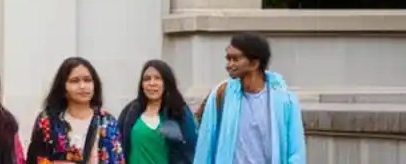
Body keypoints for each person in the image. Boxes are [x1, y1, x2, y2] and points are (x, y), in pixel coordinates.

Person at [193, 33, 305, 164]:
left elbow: (296, 151)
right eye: (228, 59)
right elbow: (205, 147)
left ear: (254, 63)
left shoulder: (285, 100)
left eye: (235, 59)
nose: (229, 65)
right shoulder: (221, 94)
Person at [25, 57, 124, 164]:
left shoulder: (107, 121)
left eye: (87, 80)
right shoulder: (47, 121)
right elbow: (35, 159)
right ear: (63, 87)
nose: (82, 86)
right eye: (74, 81)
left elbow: (117, 159)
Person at [118, 60, 198, 164]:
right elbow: (118, 148)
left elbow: (191, 150)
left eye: (157, 78)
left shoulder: (179, 112)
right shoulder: (130, 112)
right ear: (142, 84)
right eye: (147, 79)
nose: (152, 83)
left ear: (166, 82)